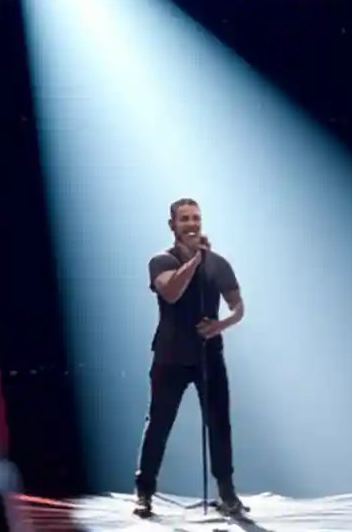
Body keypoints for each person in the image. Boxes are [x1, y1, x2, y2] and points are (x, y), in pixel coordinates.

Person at [134, 197, 247, 518]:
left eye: (196, 218)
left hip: (209, 353)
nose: (192, 224)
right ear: (172, 225)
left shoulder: (218, 263)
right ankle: (144, 491)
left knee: (219, 422)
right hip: (171, 354)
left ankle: (227, 492)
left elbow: (238, 306)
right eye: (185, 219)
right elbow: (171, 292)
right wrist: (195, 261)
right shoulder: (161, 260)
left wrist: (220, 325)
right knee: (159, 422)